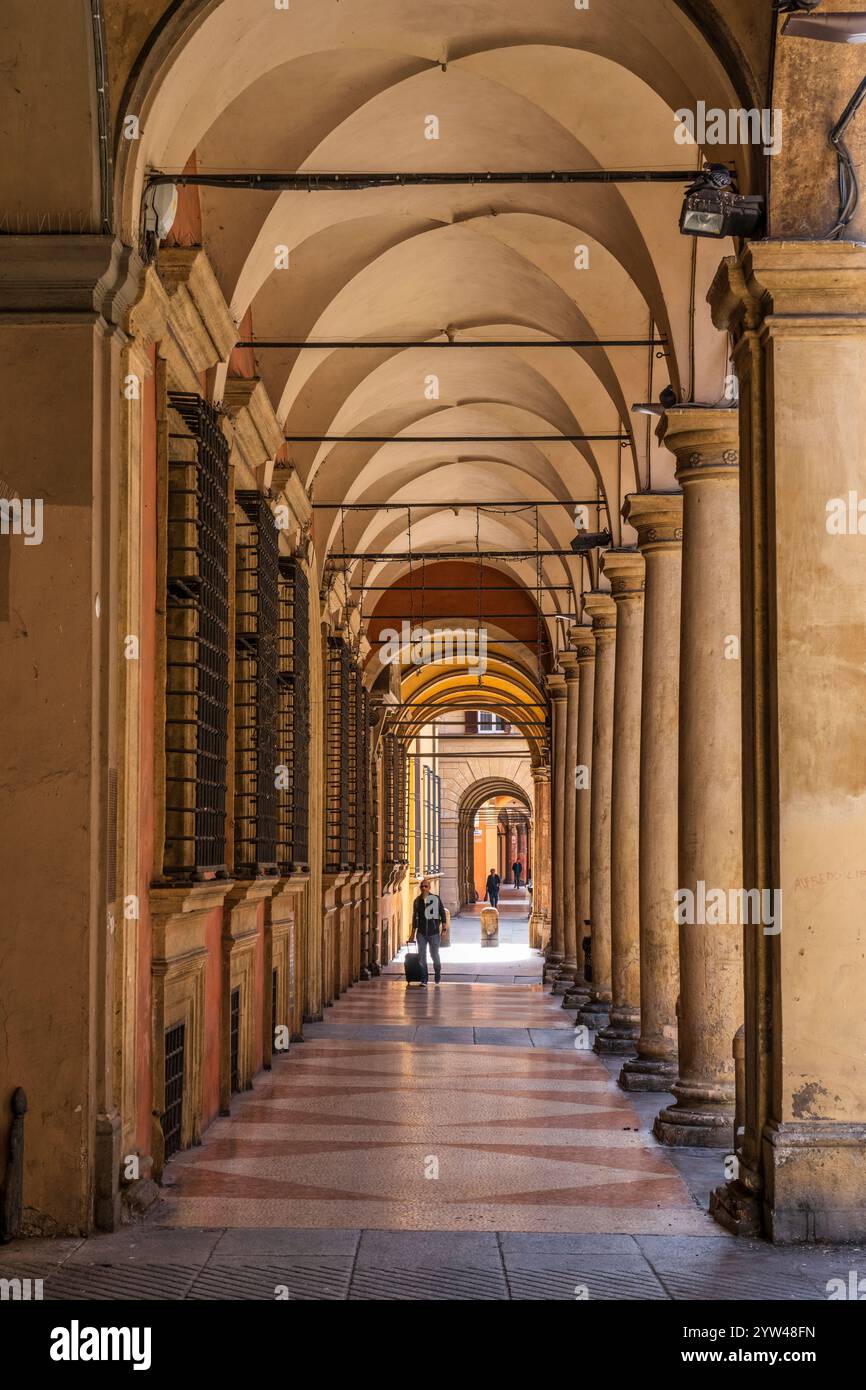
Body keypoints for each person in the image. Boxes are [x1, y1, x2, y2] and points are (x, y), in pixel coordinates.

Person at [411, 877, 447, 986]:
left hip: (434, 932)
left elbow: (442, 914)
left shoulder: (435, 899)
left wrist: (444, 929)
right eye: (422, 886)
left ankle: (437, 972)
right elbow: (415, 918)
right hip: (421, 933)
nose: (423, 888)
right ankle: (424, 979)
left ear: (429, 888)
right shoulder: (417, 901)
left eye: (426, 886)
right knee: (422, 956)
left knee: (434, 954)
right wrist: (412, 933)